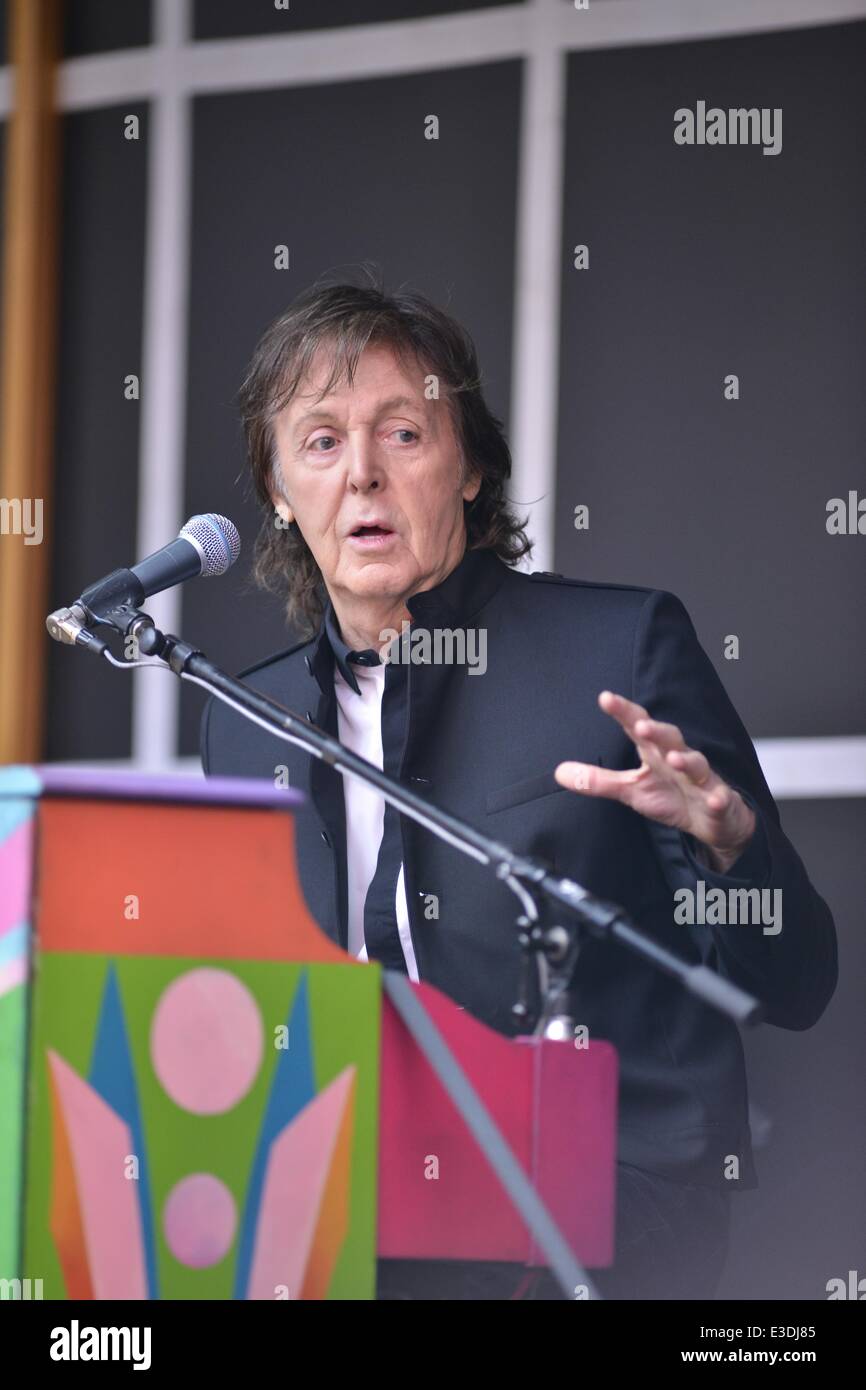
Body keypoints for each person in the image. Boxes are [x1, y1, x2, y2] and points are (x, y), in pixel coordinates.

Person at [201, 279, 837, 1299]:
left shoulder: (618, 646)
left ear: (467, 470)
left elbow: (796, 987)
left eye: (401, 432)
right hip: (357, 1207)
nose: (359, 474)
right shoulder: (242, 719)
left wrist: (730, 851)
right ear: (277, 488)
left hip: (607, 1209)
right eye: (318, 442)